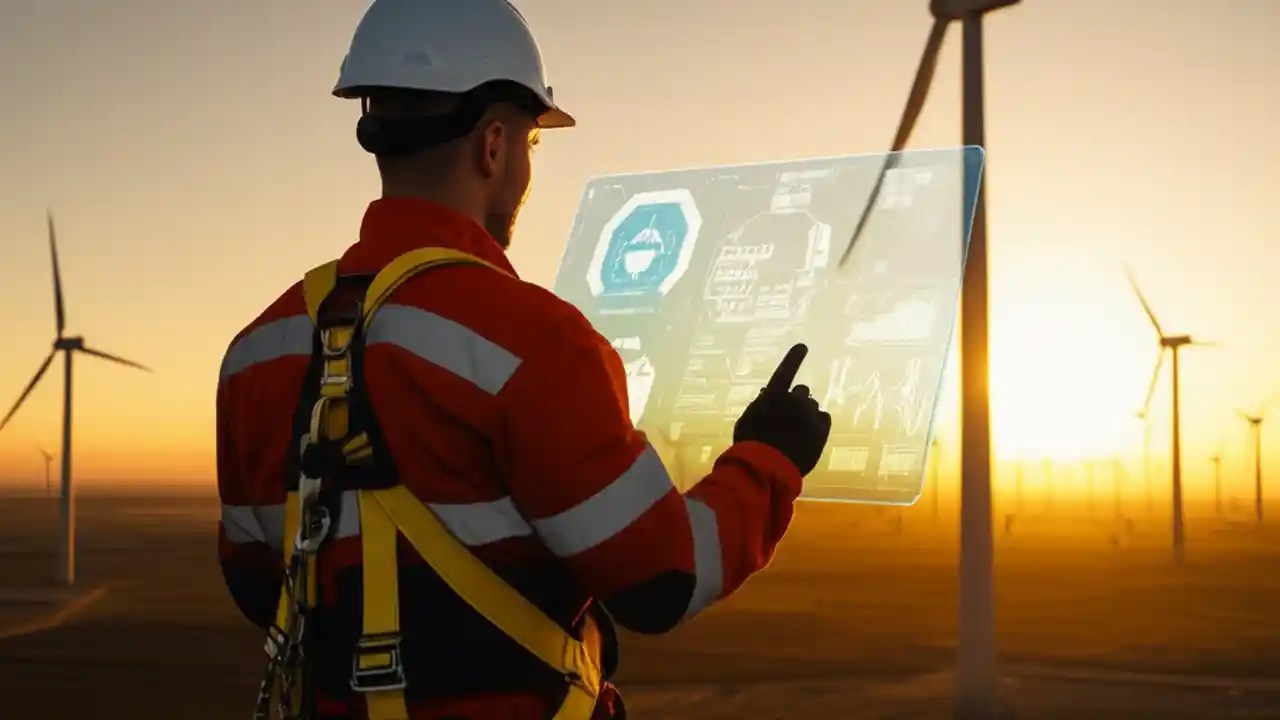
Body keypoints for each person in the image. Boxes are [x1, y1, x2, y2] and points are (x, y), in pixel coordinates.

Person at [215, 1, 833, 718]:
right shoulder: (533, 341)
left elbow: (263, 586)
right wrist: (768, 458)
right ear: (494, 145)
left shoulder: (257, 352)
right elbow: (666, 576)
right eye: (533, 147)